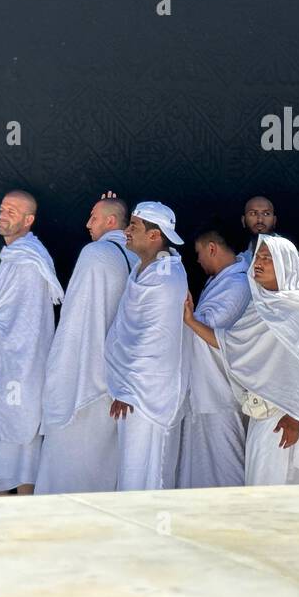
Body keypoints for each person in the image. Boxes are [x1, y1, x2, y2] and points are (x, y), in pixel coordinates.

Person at [184, 235, 299, 486]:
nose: (258, 263)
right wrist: (190, 321)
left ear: (284, 263)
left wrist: (296, 417)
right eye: (258, 258)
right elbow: (229, 343)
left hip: (287, 418)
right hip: (260, 414)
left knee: (282, 488)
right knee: (258, 483)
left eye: (267, 258)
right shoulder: (259, 306)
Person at [0, 191, 64, 495]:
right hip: (4, 364)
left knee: (23, 442)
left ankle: (25, 514)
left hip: (23, 369)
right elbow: (1, 316)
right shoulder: (15, 256)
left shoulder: (29, 261)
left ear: (28, 220)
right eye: (2, 208)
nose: (3, 214)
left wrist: (5, 361)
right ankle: (2, 513)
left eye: (12, 211)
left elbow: (28, 324)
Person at [36, 193, 130, 494]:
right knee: (107, 463)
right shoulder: (138, 256)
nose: (88, 224)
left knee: (69, 463)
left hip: (82, 381)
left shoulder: (94, 253)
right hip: (121, 381)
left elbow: (75, 320)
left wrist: (60, 372)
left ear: (111, 221)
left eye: (94, 217)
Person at [105, 201, 189, 491]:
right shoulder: (147, 268)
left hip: (146, 395)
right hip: (133, 391)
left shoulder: (166, 278)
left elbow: (155, 339)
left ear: (154, 236)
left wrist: (129, 389)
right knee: (131, 469)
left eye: (134, 226)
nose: (126, 231)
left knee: (142, 472)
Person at [177, 225, 250, 488]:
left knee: (227, 470)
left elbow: (214, 329)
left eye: (198, 253)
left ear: (211, 248)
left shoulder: (238, 284)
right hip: (204, 392)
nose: (197, 260)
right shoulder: (219, 281)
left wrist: (186, 316)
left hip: (222, 395)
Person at [241, 196, 278, 261]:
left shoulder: (286, 251)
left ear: (274, 220)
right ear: (243, 220)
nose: (260, 220)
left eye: (266, 214)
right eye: (253, 213)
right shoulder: (242, 259)